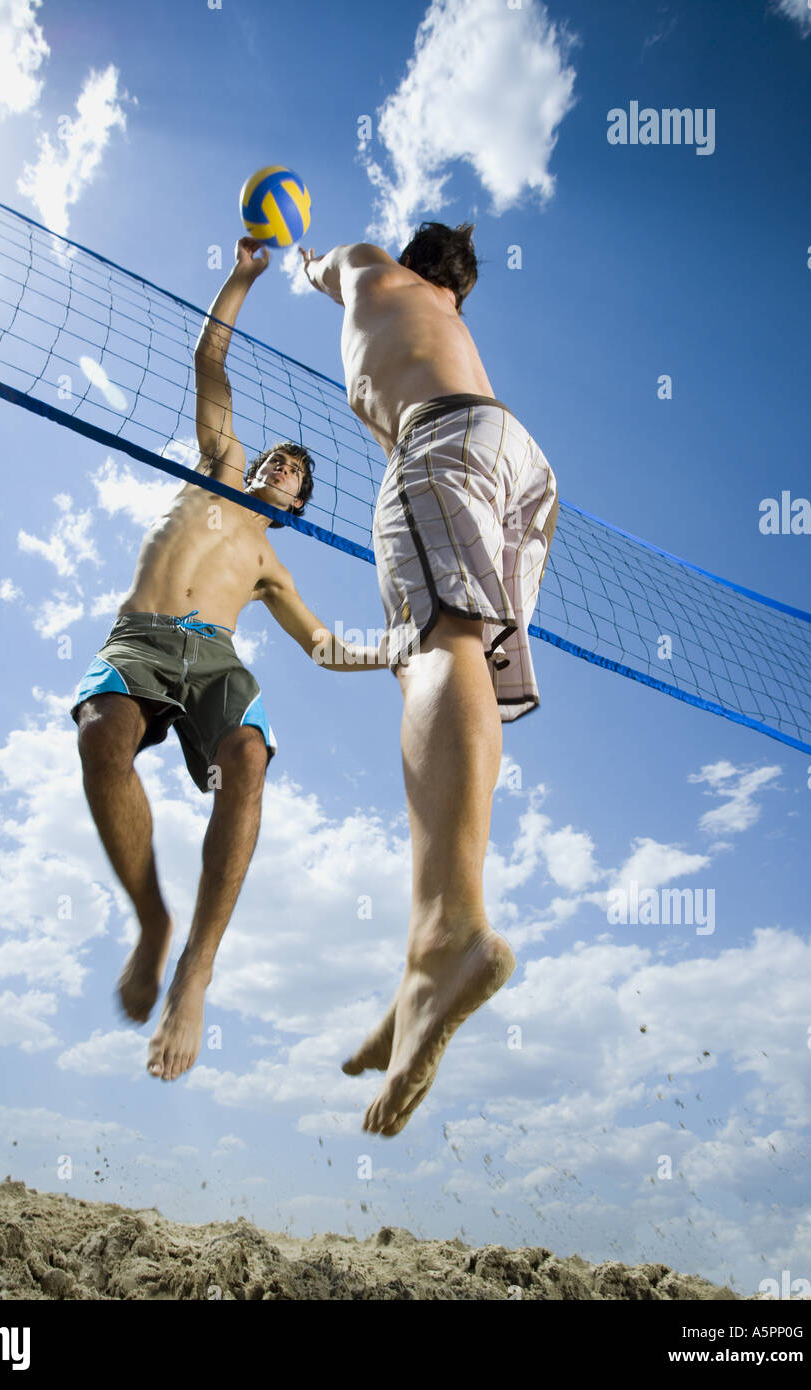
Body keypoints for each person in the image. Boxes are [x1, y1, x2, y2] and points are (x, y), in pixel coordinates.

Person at [72, 237, 384, 1083]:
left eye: (294, 474)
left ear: (296, 508)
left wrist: (396, 653)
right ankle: (152, 923)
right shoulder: (220, 468)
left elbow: (323, 646)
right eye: (279, 458)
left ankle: (196, 974)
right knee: (101, 741)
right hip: (141, 635)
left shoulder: (271, 564)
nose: (280, 468)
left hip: (214, 658)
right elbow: (210, 355)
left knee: (247, 759)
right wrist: (244, 275)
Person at [301, 222, 558, 1137]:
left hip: (443, 439)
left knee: (434, 645)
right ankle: (426, 951)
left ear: (415, 263)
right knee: (451, 658)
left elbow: (324, 263)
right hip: (520, 466)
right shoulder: (452, 319)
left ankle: (448, 935)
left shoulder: (374, 267)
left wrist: (295, 259)